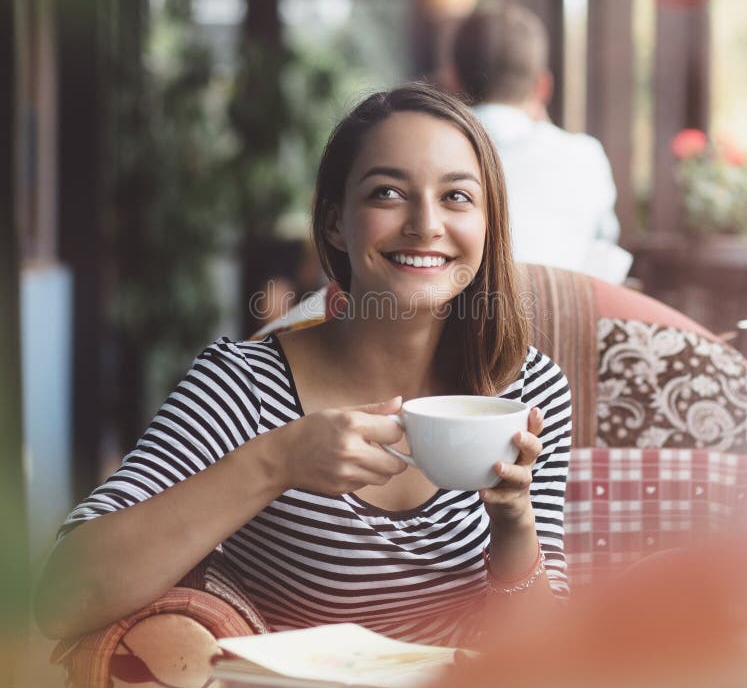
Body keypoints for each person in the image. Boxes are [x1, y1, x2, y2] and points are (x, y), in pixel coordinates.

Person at [35, 84, 572, 648]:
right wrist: (278, 460)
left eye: (457, 197)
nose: (425, 224)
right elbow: (61, 596)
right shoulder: (246, 387)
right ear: (337, 223)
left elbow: (548, 658)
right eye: (387, 193)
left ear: (489, 224)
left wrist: (514, 520)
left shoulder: (529, 390)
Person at [449, 3, 630, 282]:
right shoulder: (584, 157)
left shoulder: (433, 151)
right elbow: (602, 252)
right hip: (559, 318)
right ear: (543, 87)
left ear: (451, 80)